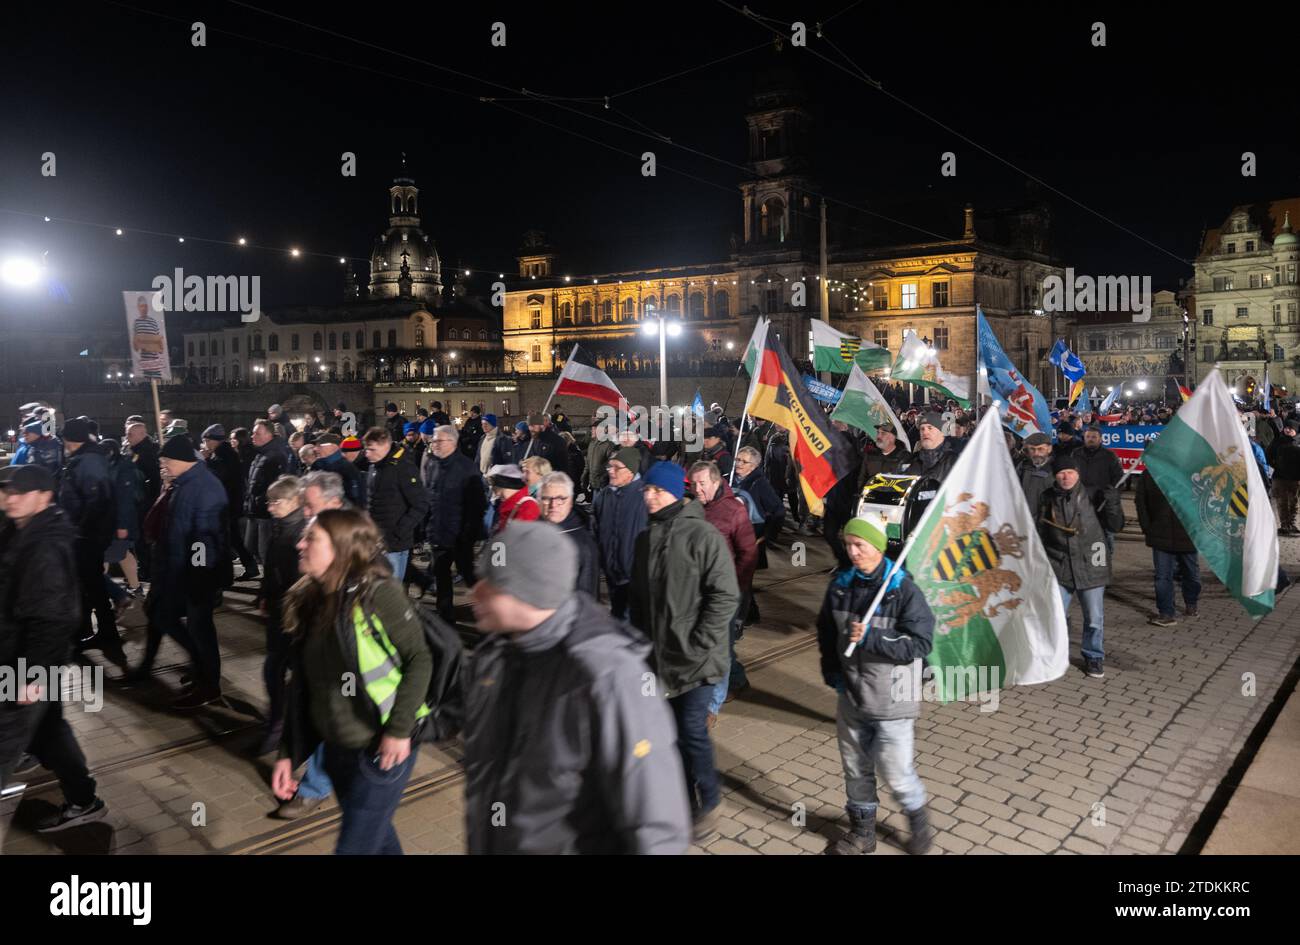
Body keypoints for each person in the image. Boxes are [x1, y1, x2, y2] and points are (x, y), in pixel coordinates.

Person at [464, 520, 691, 853]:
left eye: (492, 584)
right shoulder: (495, 658)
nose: (474, 593)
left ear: (528, 592)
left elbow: (657, 822)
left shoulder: (608, 677)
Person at [273, 509, 433, 854]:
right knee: (377, 834)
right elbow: (303, 686)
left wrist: (399, 729)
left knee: (356, 845)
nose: (300, 543)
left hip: (382, 750)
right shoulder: (311, 599)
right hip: (336, 749)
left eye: (311, 538)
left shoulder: (378, 594)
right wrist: (288, 754)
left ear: (341, 549)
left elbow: (420, 658)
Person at [630, 461, 739, 842]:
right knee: (668, 736)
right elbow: (640, 602)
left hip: (697, 661)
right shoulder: (645, 539)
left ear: (678, 492)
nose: (649, 496)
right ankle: (681, 801)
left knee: (691, 732)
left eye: (657, 490)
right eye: (646, 490)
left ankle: (708, 803)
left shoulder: (702, 535)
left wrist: (700, 642)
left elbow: (726, 595)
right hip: (660, 661)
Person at [0, 465, 108, 832]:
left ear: (44, 497)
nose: (11, 498)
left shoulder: (44, 545)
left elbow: (53, 618)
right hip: (18, 656)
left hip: (25, 664)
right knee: (49, 729)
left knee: (8, 738)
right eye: (9, 491)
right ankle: (83, 798)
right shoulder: (20, 530)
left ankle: (83, 799)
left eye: (21, 492)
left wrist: (31, 676)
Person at [818, 516, 935, 855]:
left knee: (896, 773)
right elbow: (826, 633)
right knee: (855, 769)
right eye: (849, 544)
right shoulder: (840, 585)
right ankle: (862, 833)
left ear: (879, 546)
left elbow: (919, 644)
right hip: (852, 697)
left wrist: (873, 637)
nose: (853, 552)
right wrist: (834, 675)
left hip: (892, 700)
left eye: (861, 545)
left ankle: (918, 821)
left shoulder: (902, 588)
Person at [138, 435, 232, 707]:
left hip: (196, 575)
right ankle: (201, 671)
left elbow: (205, 537)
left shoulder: (203, 488)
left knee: (199, 629)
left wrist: (198, 575)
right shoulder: (185, 483)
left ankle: (209, 685)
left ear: (182, 460)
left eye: (167, 461)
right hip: (180, 569)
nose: (164, 465)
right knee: (172, 619)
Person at [1037, 453, 1121, 679]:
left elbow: (1116, 525)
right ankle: (1056, 655)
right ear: (1055, 476)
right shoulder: (1046, 498)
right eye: (1061, 473)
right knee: (1055, 615)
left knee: (1094, 618)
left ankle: (1094, 656)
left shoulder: (1095, 495)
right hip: (1059, 566)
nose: (1066, 477)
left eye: (1070, 472)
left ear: (1078, 474)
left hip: (1092, 564)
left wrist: (1112, 502)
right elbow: (1040, 533)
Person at [689, 461, 758, 724]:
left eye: (702, 484)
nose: (697, 489)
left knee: (720, 649)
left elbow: (748, 553)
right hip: (695, 592)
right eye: (693, 484)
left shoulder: (734, 511)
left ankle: (712, 706)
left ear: (717, 482)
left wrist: (734, 587)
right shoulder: (692, 506)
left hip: (723, 595)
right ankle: (737, 679)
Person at [58, 418, 122, 658]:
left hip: (87, 536)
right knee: (89, 586)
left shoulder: (89, 461)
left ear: (70, 440)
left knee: (91, 585)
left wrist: (80, 532)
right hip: (85, 535)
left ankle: (104, 635)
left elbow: (97, 502)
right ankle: (97, 633)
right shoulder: (84, 458)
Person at [260, 476, 306, 753]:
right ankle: (277, 720)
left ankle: (287, 725)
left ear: (295, 501)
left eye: (276, 501)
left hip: (296, 614)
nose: (270, 507)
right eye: (269, 501)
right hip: (278, 609)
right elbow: (271, 567)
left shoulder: (303, 531)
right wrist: (264, 594)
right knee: (273, 668)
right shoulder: (280, 526)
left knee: (292, 670)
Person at [423, 424, 486, 622]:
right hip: (440, 534)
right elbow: (431, 498)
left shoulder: (466, 468)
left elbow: (477, 505)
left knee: (469, 575)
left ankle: (489, 611)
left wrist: (467, 535)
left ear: (452, 442)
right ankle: (446, 620)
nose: (434, 444)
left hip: (460, 537)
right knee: (442, 580)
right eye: (433, 440)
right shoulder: (432, 464)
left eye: (438, 440)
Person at [362, 427, 429, 581]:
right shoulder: (375, 465)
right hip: (376, 541)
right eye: (366, 449)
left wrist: (399, 530)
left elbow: (421, 504)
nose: (367, 454)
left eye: (372, 449)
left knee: (390, 591)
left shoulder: (402, 467)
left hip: (394, 544)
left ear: (385, 445)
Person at [1135, 472, 1201, 627]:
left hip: (1188, 535)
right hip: (1160, 535)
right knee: (1162, 577)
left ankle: (1191, 604)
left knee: (1191, 573)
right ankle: (1166, 613)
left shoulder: (1191, 471)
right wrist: (1147, 528)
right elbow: (1140, 501)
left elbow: (1203, 501)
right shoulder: (1150, 474)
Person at [592, 447, 647, 619]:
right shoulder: (604, 496)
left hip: (635, 578)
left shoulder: (645, 497)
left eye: (617, 468)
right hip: (611, 573)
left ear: (631, 470)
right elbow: (596, 530)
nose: (611, 472)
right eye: (610, 467)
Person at [203, 424, 258, 579]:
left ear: (215, 441)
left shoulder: (223, 454)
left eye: (207, 441)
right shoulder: (223, 453)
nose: (206, 444)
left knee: (228, 538)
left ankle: (227, 571)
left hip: (227, 503)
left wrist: (206, 461)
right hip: (228, 502)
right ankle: (249, 566)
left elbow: (219, 476)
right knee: (232, 537)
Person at [539, 471, 600, 598]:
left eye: (561, 498)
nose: (553, 504)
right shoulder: (531, 532)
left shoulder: (584, 545)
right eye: (546, 498)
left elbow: (587, 598)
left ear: (571, 501)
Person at [244, 419, 290, 569]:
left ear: (269, 435)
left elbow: (278, 484)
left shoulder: (276, 455)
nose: (252, 436)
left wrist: (263, 501)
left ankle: (274, 586)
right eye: (253, 432)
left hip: (266, 512)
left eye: (257, 433)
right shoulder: (261, 453)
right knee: (251, 548)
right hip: (256, 509)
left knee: (266, 552)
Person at [908, 411, 960, 484]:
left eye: (930, 428)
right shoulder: (912, 460)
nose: (925, 432)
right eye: (922, 429)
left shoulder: (955, 461)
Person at [487, 463, 540, 533]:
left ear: (508, 486)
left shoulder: (527, 507)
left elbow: (518, 540)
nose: (496, 494)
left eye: (497, 489)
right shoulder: (509, 506)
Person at [1015, 432, 1056, 514]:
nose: (1036, 453)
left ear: (1049, 449)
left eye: (1040, 449)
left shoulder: (1056, 468)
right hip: (1023, 515)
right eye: (1032, 449)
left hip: (1045, 519)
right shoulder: (1023, 466)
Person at [1271, 420, 1300, 536]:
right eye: (1286, 427)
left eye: (1290, 428)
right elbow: (1268, 456)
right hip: (1279, 478)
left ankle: (1291, 525)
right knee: (1282, 503)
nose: (1287, 430)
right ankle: (1284, 526)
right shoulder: (1277, 441)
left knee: (1294, 503)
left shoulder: (1298, 442)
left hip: (1295, 479)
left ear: (1296, 431)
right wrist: (1277, 467)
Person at [583, 417, 616, 500]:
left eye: (594, 429)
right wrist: (584, 477)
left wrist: (603, 479)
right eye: (592, 429)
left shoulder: (609, 445)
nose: (592, 431)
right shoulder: (592, 444)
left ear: (604, 430)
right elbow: (588, 463)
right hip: (593, 485)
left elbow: (611, 465)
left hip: (603, 486)